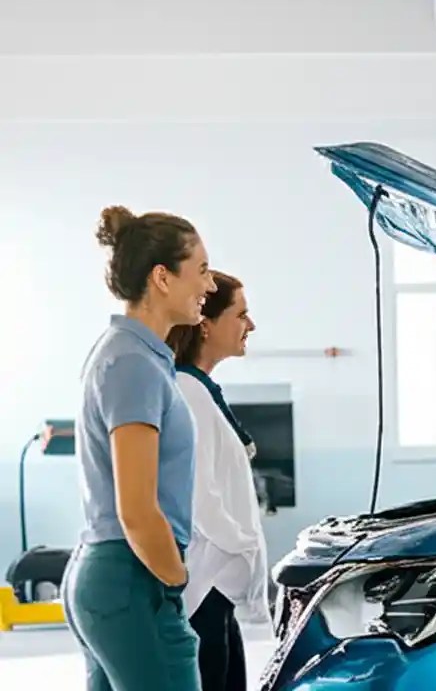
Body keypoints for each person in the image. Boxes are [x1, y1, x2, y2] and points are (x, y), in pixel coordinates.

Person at [64, 205, 216, 690]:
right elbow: (136, 509)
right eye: (202, 270)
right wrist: (175, 578)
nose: (209, 286)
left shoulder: (133, 356)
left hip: (113, 576)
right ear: (163, 278)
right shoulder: (132, 363)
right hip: (131, 577)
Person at [165, 270, 269, 691]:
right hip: (205, 586)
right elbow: (200, 496)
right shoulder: (187, 391)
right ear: (205, 324)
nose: (251, 325)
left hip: (217, 589)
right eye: (242, 314)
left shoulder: (201, 389)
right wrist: (244, 544)